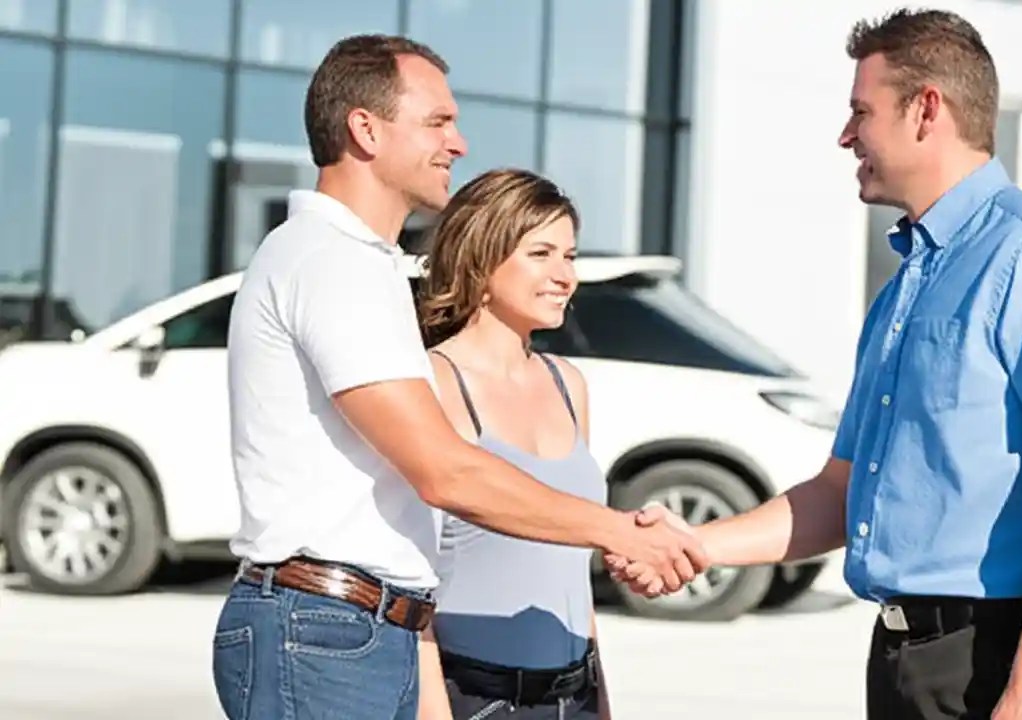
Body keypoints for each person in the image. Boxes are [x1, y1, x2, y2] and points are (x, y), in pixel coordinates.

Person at [614, 8, 1022, 720]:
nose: (846, 135)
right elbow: (839, 493)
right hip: (907, 663)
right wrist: (697, 544)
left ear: (925, 109)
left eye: (861, 111)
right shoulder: (903, 290)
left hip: (1011, 662)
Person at [212, 34, 704, 720]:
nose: (459, 143)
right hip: (323, 630)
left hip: (349, 629)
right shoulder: (330, 262)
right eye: (438, 121)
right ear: (366, 129)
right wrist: (620, 531)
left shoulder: (362, 265)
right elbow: (447, 472)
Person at [408, 168, 609, 719]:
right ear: (482, 261)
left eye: (570, 256)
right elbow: (412, 584)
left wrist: (602, 701)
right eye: (541, 253)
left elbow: (573, 568)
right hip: (475, 698)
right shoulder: (433, 383)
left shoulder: (569, 384)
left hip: (574, 695)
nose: (564, 275)